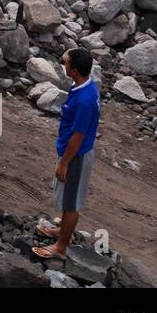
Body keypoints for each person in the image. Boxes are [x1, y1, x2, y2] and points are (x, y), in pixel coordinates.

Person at [33, 47, 101, 260]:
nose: (63, 66)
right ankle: (61, 231)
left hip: (75, 156)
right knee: (66, 198)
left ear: (75, 70)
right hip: (73, 153)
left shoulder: (84, 100)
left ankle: (61, 247)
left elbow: (78, 136)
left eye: (66, 64)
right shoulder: (83, 87)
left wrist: (64, 163)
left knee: (71, 203)